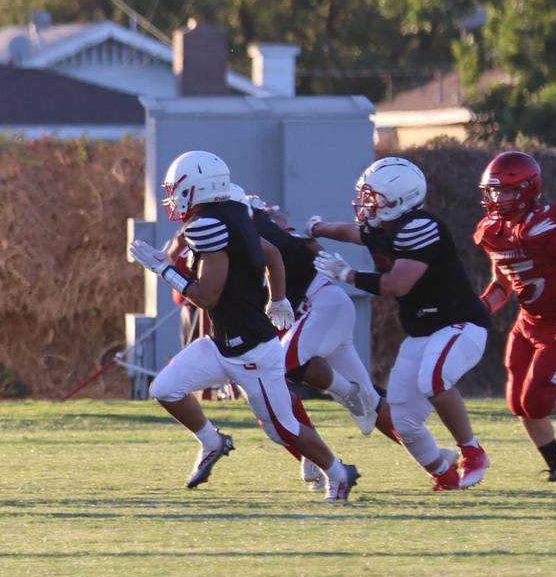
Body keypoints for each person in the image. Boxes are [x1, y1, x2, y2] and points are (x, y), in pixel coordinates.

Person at [129, 152, 359, 499]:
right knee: (165, 389)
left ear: (197, 187)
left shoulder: (209, 224)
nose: (172, 196)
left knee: (282, 428)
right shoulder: (234, 211)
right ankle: (211, 440)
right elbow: (272, 254)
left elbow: (206, 296)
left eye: (176, 188)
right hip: (222, 343)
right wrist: (277, 298)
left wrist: (164, 270)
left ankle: (338, 472)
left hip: (252, 352)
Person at [309, 155, 491, 491]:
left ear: (399, 200)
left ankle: (472, 450)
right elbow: (352, 232)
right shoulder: (387, 226)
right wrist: (316, 228)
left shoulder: (421, 227)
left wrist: (348, 274)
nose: (366, 204)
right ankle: (444, 475)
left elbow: (396, 284)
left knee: (433, 379)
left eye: (372, 198)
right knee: (404, 422)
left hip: (459, 325)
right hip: (422, 331)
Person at [472, 151, 556, 480]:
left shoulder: (548, 227)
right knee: (517, 403)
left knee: (536, 402)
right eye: (492, 191)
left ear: (527, 190)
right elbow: (502, 284)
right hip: (528, 322)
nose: (496, 198)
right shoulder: (493, 230)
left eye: (504, 191)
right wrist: (479, 308)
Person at [246, 194, 381, 492]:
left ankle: (347, 397)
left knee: (279, 368)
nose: (278, 215)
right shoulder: (261, 235)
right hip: (323, 309)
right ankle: (437, 462)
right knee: (370, 402)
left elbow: (299, 247)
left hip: (324, 305)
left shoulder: (261, 231)